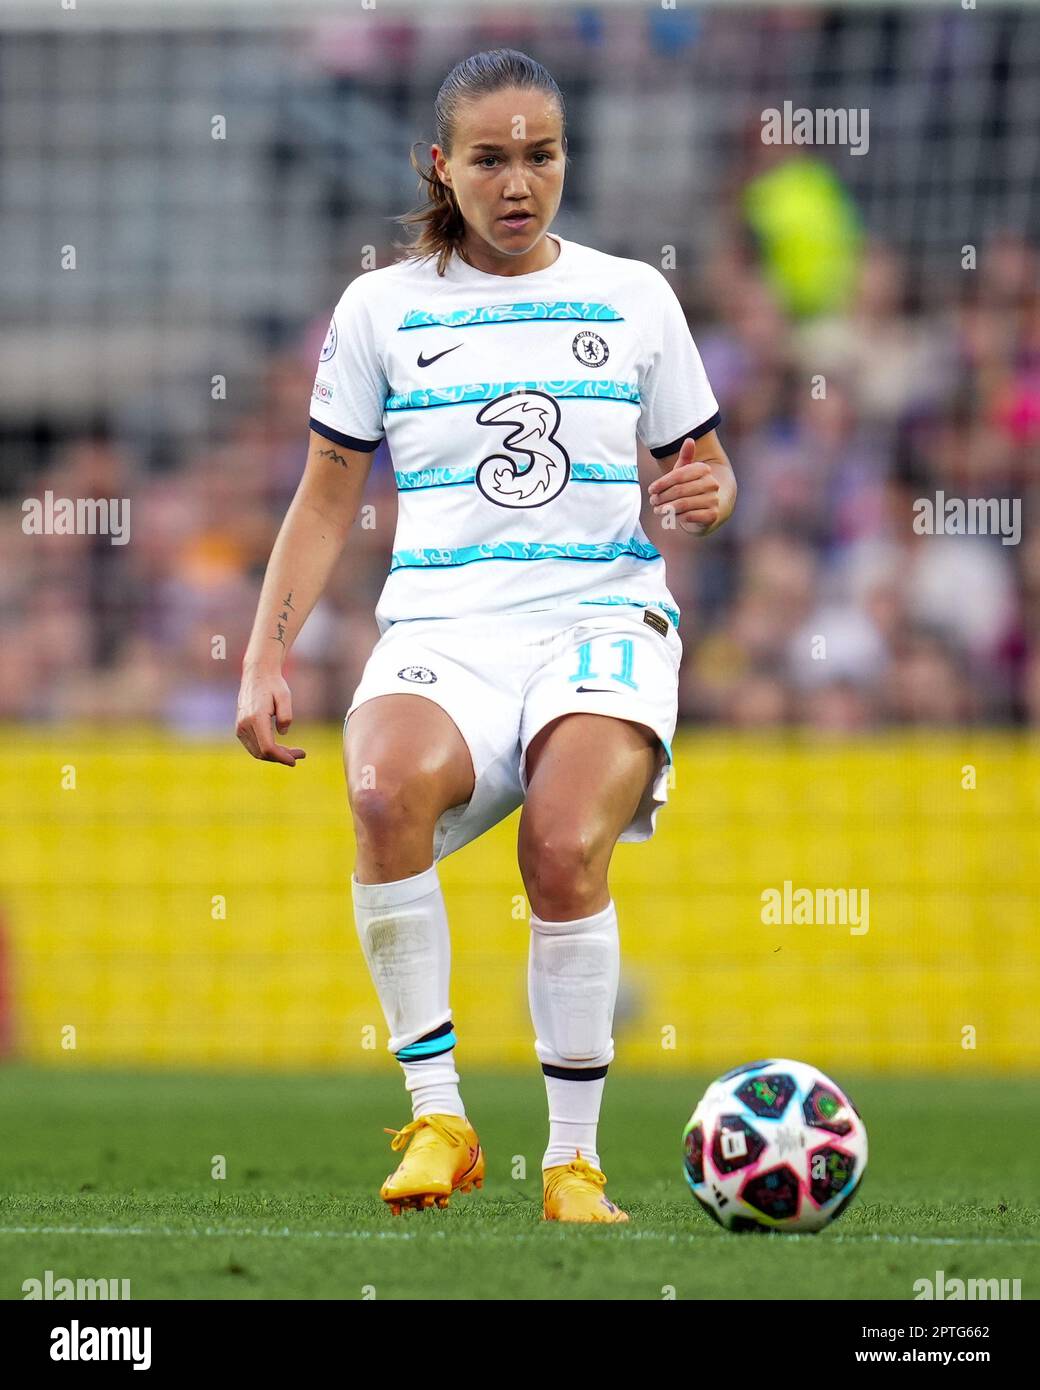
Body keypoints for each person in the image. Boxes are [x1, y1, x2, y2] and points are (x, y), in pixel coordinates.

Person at [236, 48, 736, 1223]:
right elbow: (323, 497)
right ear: (441, 166)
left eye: (542, 155)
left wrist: (711, 495)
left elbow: (702, 471)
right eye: (491, 158)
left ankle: (571, 1163)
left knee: (562, 847)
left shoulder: (633, 297)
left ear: (567, 158)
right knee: (378, 786)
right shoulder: (382, 308)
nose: (519, 182)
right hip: (444, 625)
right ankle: (439, 1115)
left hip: (600, 614)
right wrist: (264, 651)